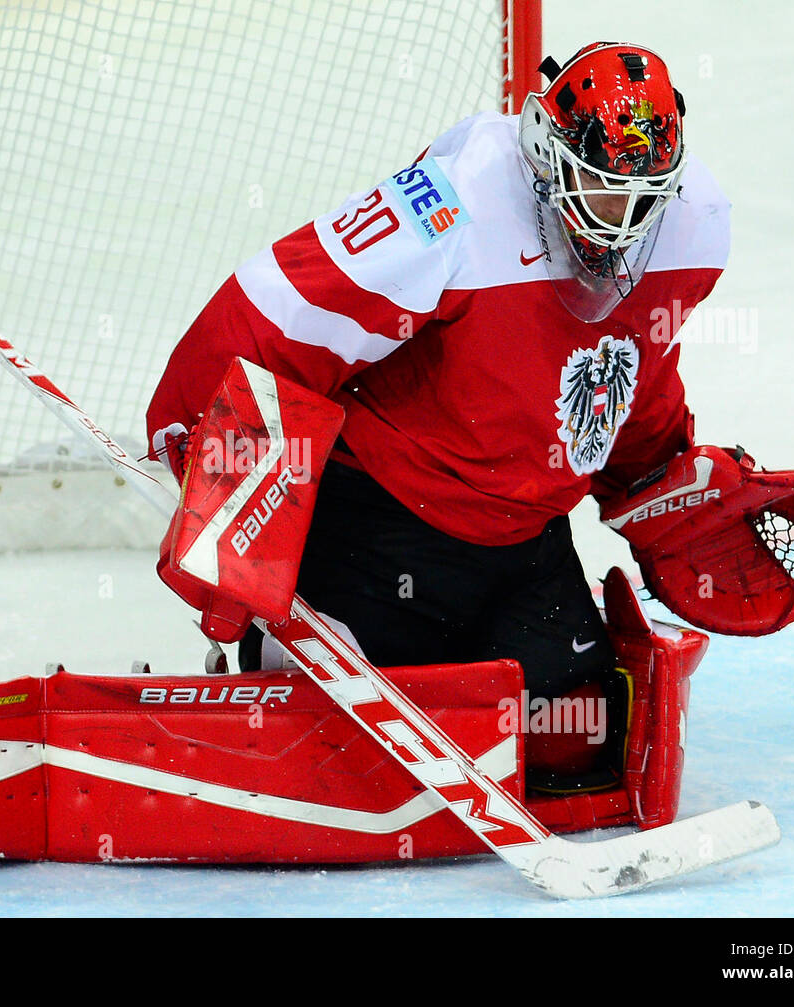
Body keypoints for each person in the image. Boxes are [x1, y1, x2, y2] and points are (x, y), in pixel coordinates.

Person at [145, 42, 726, 792]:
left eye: (642, 199)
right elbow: (283, 306)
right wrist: (205, 456)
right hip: (384, 517)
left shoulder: (693, 225)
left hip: (526, 537)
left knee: (572, 746)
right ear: (550, 156)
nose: (621, 221)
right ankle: (289, 643)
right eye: (602, 190)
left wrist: (663, 476)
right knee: (356, 754)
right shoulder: (460, 200)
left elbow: (637, 365)